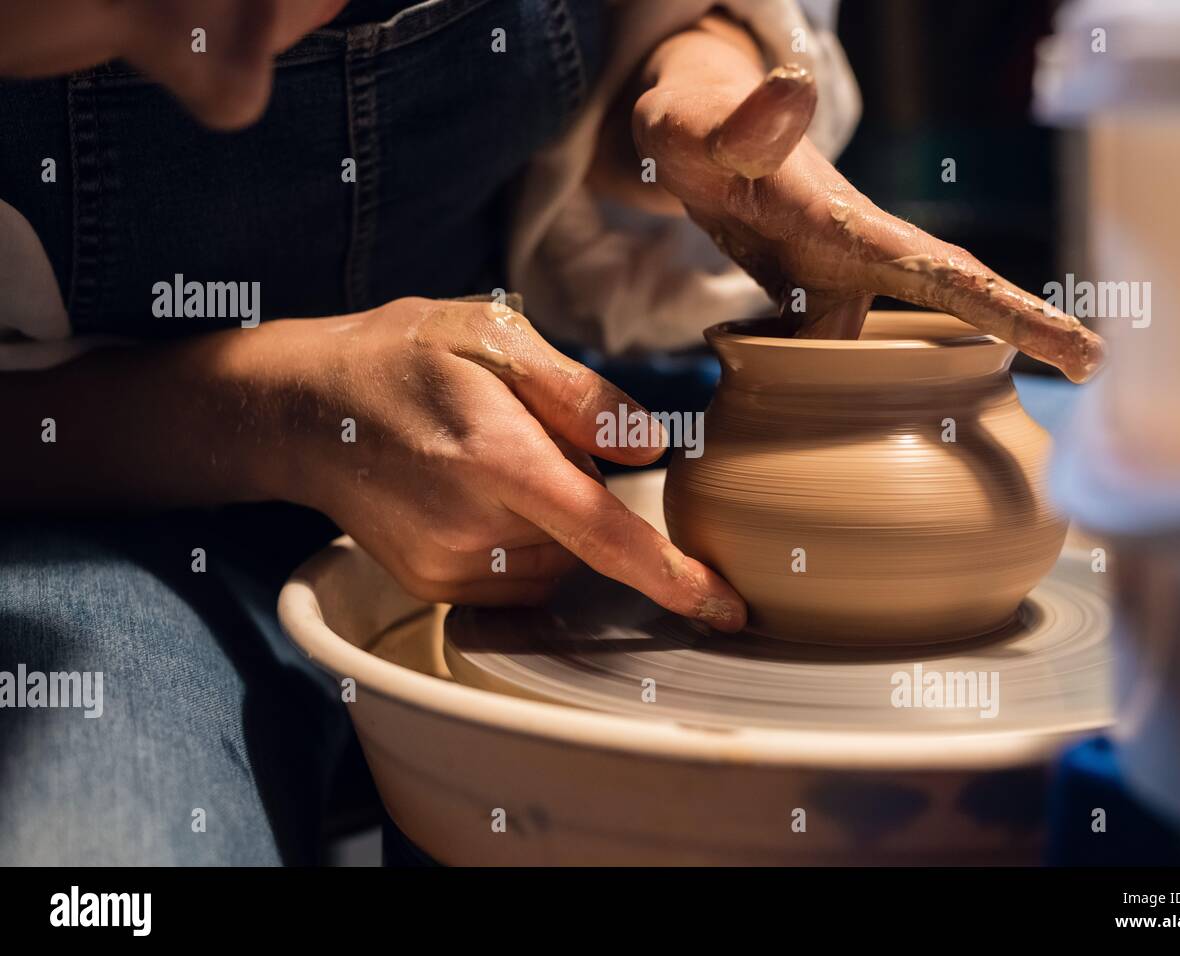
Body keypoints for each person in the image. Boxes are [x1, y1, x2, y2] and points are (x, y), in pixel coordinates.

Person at [0, 0, 1078, 864]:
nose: (231, 90)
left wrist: (691, 84)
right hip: (90, 501)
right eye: (131, 19)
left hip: (503, 430)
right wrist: (277, 409)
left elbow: (634, 37)